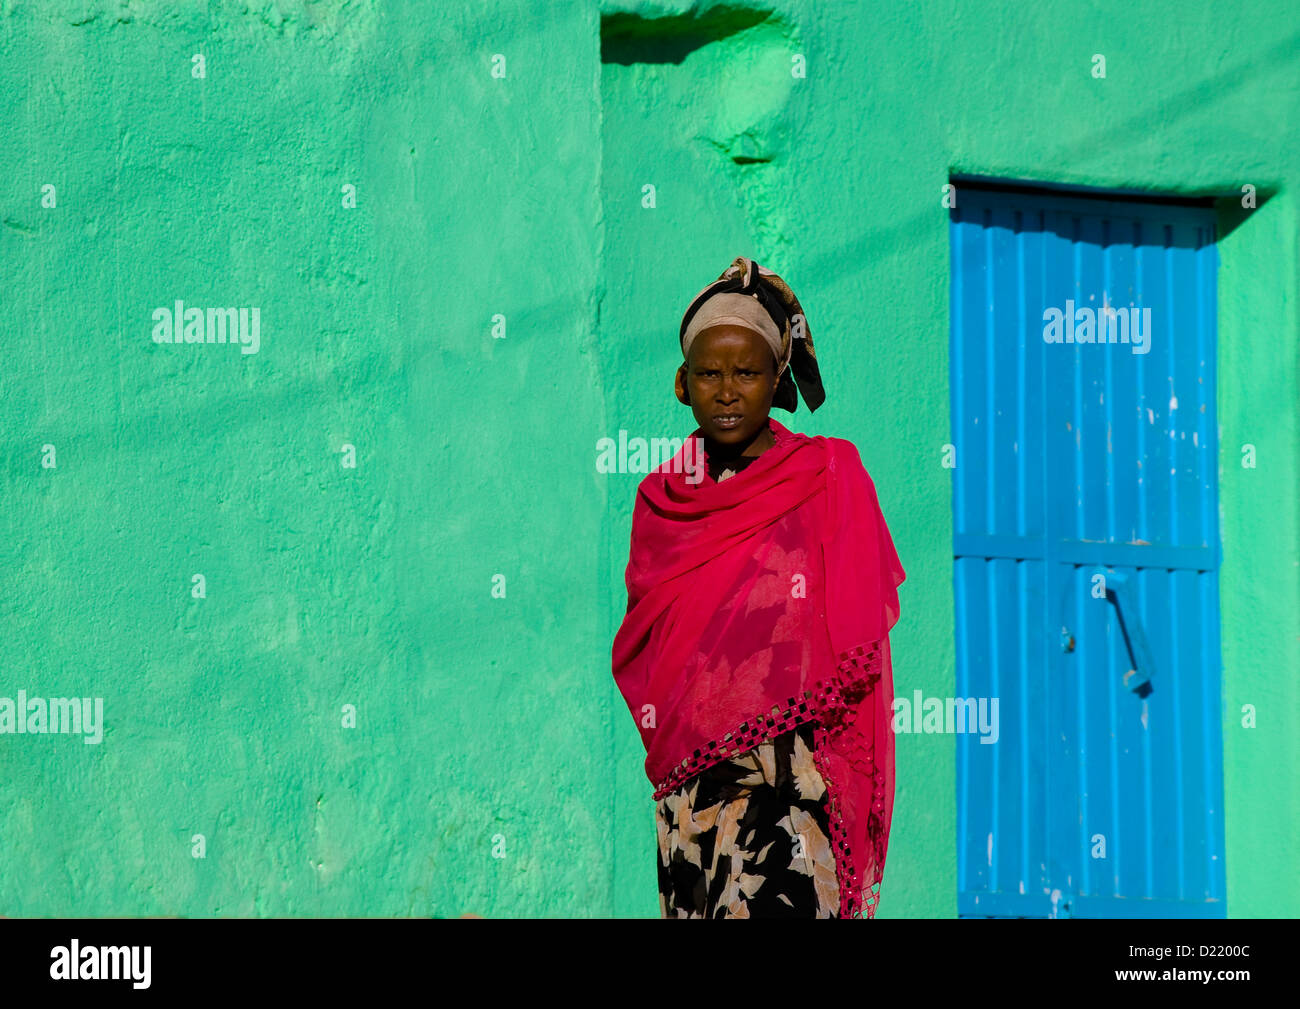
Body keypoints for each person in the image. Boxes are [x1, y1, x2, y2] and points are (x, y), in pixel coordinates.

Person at [611, 256, 906, 919]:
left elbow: (853, 638)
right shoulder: (661, 501)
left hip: (791, 782)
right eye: (709, 374)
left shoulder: (827, 476)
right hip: (692, 788)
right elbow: (647, 648)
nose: (726, 390)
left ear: (777, 380)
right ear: (682, 385)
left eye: (746, 372)